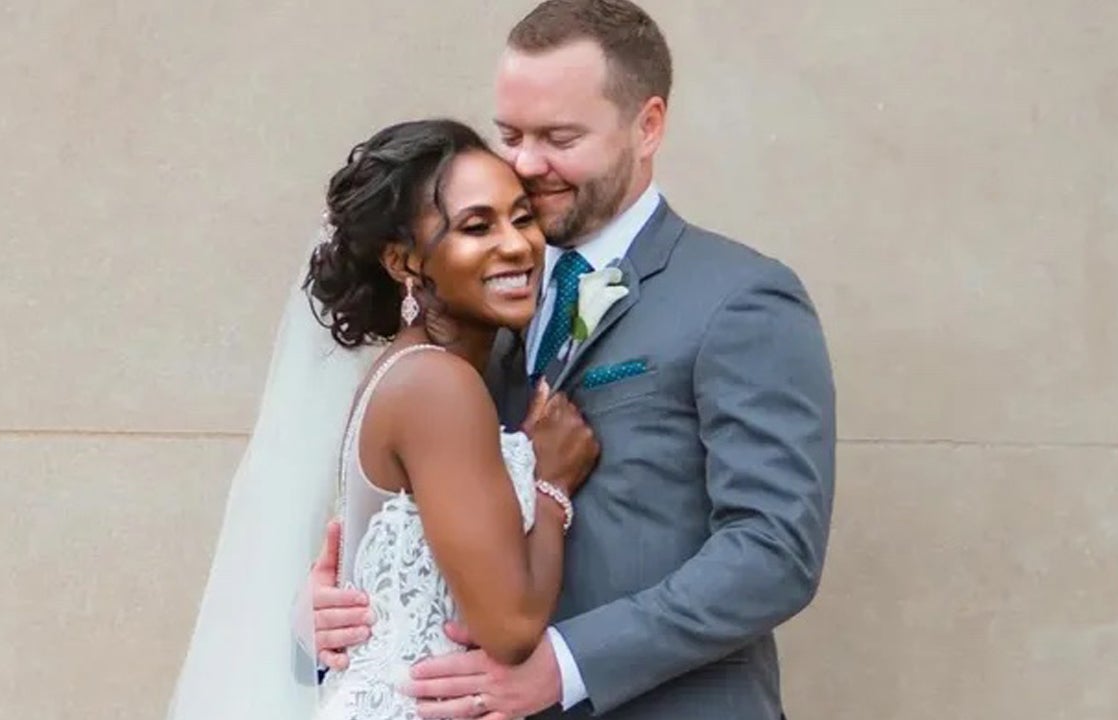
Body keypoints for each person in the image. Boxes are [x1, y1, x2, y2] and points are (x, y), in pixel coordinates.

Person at [312, 2, 837, 719]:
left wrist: (567, 665)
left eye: (559, 137)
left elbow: (775, 551)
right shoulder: (472, 309)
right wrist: (330, 612)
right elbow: (412, 522)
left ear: (648, 126)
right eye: (511, 136)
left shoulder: (741, 299)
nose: (528, 165)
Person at [166, 118, 599, 720]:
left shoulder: (417, 371)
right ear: (402, 262)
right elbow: (509, 627)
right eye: (477, 226)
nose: (516, 245)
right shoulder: (436, 386)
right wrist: (551, 485)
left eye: (522, 218)